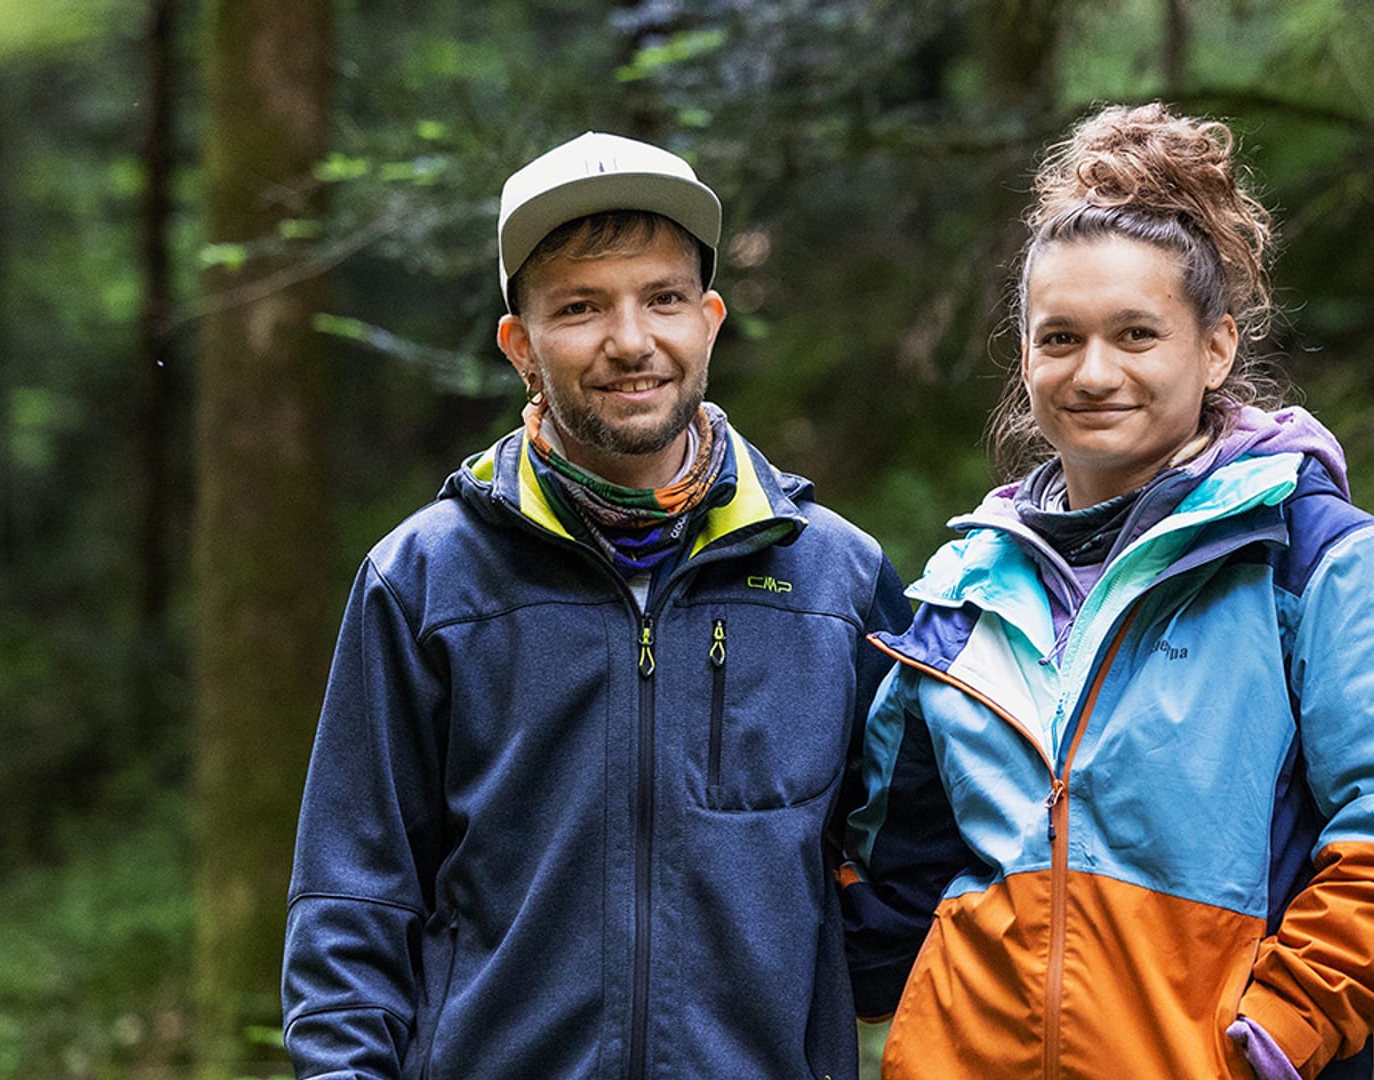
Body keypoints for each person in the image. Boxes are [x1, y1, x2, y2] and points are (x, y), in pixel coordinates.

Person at [839, 103, 1374, 1079]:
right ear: (1024, 356)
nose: (1095, 373)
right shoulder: (960, 596)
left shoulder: (1319, 565)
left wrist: (1272, 1042)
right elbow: (893, 888)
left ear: (1215, 348)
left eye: (1137, 333)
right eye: (1060, 339)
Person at [281, 130, 909, 1079]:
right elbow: (352, 904)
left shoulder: (835, 583)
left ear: (709, 319)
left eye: (662, 299)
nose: (630, 341)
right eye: (581, 307)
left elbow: (913, 883)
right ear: (520, 345)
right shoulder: (425, 584)